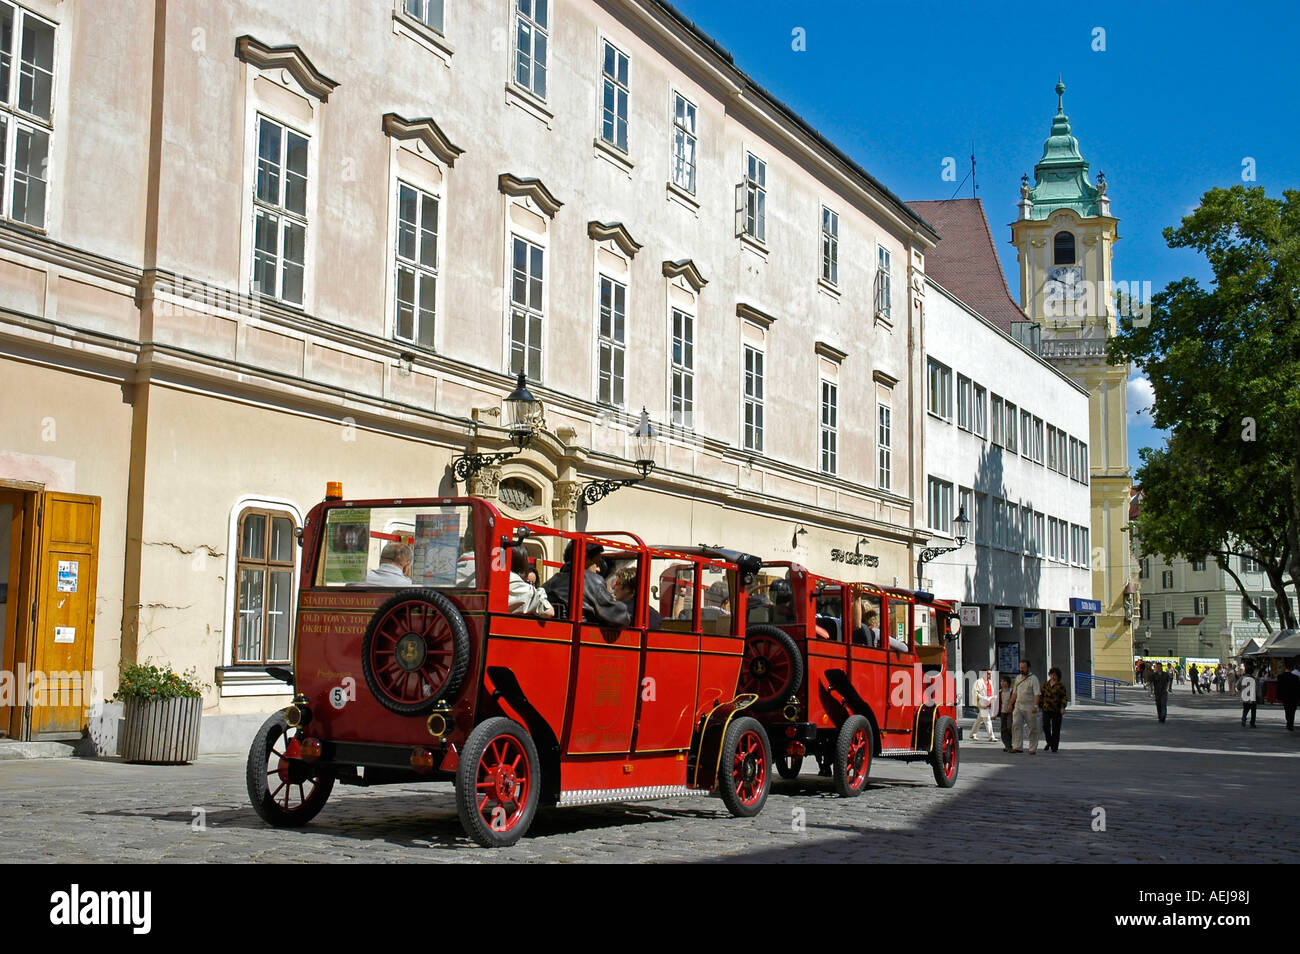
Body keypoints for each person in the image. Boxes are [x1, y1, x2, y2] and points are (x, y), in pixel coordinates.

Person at [543, 540, 632, 627]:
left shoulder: (551, 582)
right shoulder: (593, 581)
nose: (598, 569)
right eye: (596, 563)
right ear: (585, 558)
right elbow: (620, 617)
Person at [507, 548, 553, 617]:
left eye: (533, 584)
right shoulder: (519, 587)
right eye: (527, 583)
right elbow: (549, 611)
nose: (531, 586)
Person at [1009, 660, 1041, 754]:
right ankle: (1017, 746)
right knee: (1016, 725)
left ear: (1028, 668)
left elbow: (1037, 694)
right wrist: (1010, 703)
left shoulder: (1034, 679)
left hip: (1030, 706)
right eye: (1020, 667)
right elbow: (1014, 693)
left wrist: (1035, 705)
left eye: (1023, 668)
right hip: (1018, 706)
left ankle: (1032, 748)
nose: (1021, 669)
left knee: (1033, 728)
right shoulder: (1018, 678)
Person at [1040, 667, 1069, 752]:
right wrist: (1039, 705)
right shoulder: (1045, 684)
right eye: (1052, 674)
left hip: (1056, 709)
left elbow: (1064, 697)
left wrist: (1063, 707)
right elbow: (1041, 695)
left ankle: (1054, 746)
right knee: (1046, 726)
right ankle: (1049, 741)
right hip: (1046, 709)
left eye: (1055, 675)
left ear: (1058, 676)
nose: (1053, 676)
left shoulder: (1061, 686)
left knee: (1056, 728)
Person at [971, 670, 998, 743]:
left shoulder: (990, 682)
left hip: (988, 703)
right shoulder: (978, 682)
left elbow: (991, 692)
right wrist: (981, 698)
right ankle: (991, 736)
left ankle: (972, 734)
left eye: (990, 674)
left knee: (979, 720)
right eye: (988, 674)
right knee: (987, 720)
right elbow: (975, 692)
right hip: (982, 703)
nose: (990, 675)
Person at [1278, 658, 1300, 731]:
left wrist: (1279, 696)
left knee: (1287, 710)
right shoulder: (1295, 677)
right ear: (1292, 668)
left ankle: (1288, 722)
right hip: (1293, 697)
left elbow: (1279, 687)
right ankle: (1291, 723)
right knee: (1292, 710)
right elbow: (1297, 688)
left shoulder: (1280, 677)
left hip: (1285, 696)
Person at [997, 675, 1015, 751]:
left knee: (1009, 727)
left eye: (1004, 681)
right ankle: (1007, 745)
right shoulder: (999, 692)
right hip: (1002, 712)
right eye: (1001, 681)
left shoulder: (1012, 692)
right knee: (1003, 729)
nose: (1002, 683)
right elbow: (997, 703)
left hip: (1010, 712)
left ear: (1008, 683)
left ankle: (1012, 743)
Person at [1240, 663, 1259, 728]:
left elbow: (1237, 686)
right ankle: (1252, 723)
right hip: (1252, 697)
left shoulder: (1242, 678)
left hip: (1245, 696)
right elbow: (1257, 688)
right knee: (1253, 711)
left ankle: (1243, 718)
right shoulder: (1254, 679)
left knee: (1245, 709)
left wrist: (1241, 689)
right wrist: (1259, 696)